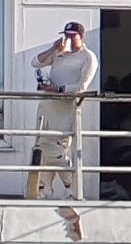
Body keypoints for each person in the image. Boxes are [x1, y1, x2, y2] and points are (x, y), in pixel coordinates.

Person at [32, 21, 100, 199]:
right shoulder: (59, 53)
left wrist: (57, 89)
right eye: (66, 35)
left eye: (72, 35)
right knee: (43, 148)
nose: (68, 38)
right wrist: (53, 48)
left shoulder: (88, 57)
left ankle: (72, 187)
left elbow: (81, 87)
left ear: (81, 36)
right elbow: (35, 63)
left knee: (56, 148)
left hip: (65, 108)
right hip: (46, 107)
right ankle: (45, 189)